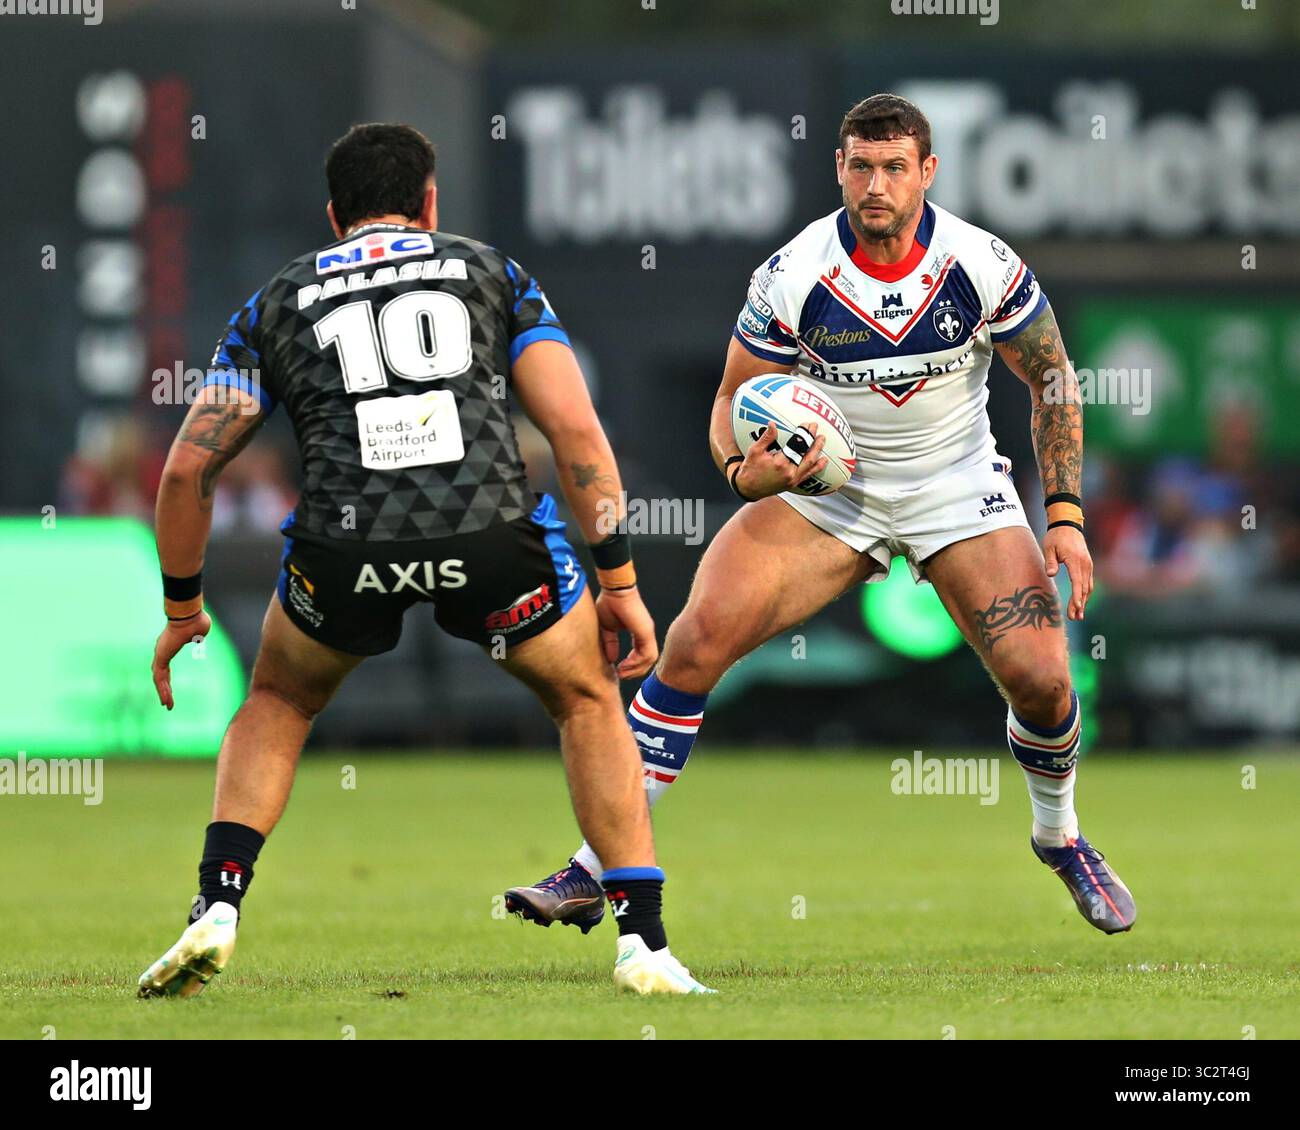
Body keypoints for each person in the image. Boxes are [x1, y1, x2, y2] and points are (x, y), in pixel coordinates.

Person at [507, 94, 1135, 937]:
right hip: (829, 490)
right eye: (861, 166)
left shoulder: (980, 263)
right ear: (839, 167)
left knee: (1045, 680)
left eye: (894, 168)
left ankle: (1059, 836)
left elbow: (1052, 377)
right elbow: (732, 394)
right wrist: (744, 467)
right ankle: (595, 869)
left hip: (954, 485)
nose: (876, 185)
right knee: (694, 643)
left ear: (927, 173)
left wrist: (1064, 515)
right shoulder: (794, 274)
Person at [137, 123, 711, 998]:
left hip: (345, 542)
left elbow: (186, 468)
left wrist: (184, 611)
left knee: (281, 701)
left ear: (335, 216)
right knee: (587, 698)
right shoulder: (491, 272)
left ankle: (217, 906)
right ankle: (644, 947)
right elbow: (574, 432)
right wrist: (620, 583)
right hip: (487, 535)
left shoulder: (276, 300)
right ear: (430, 202)